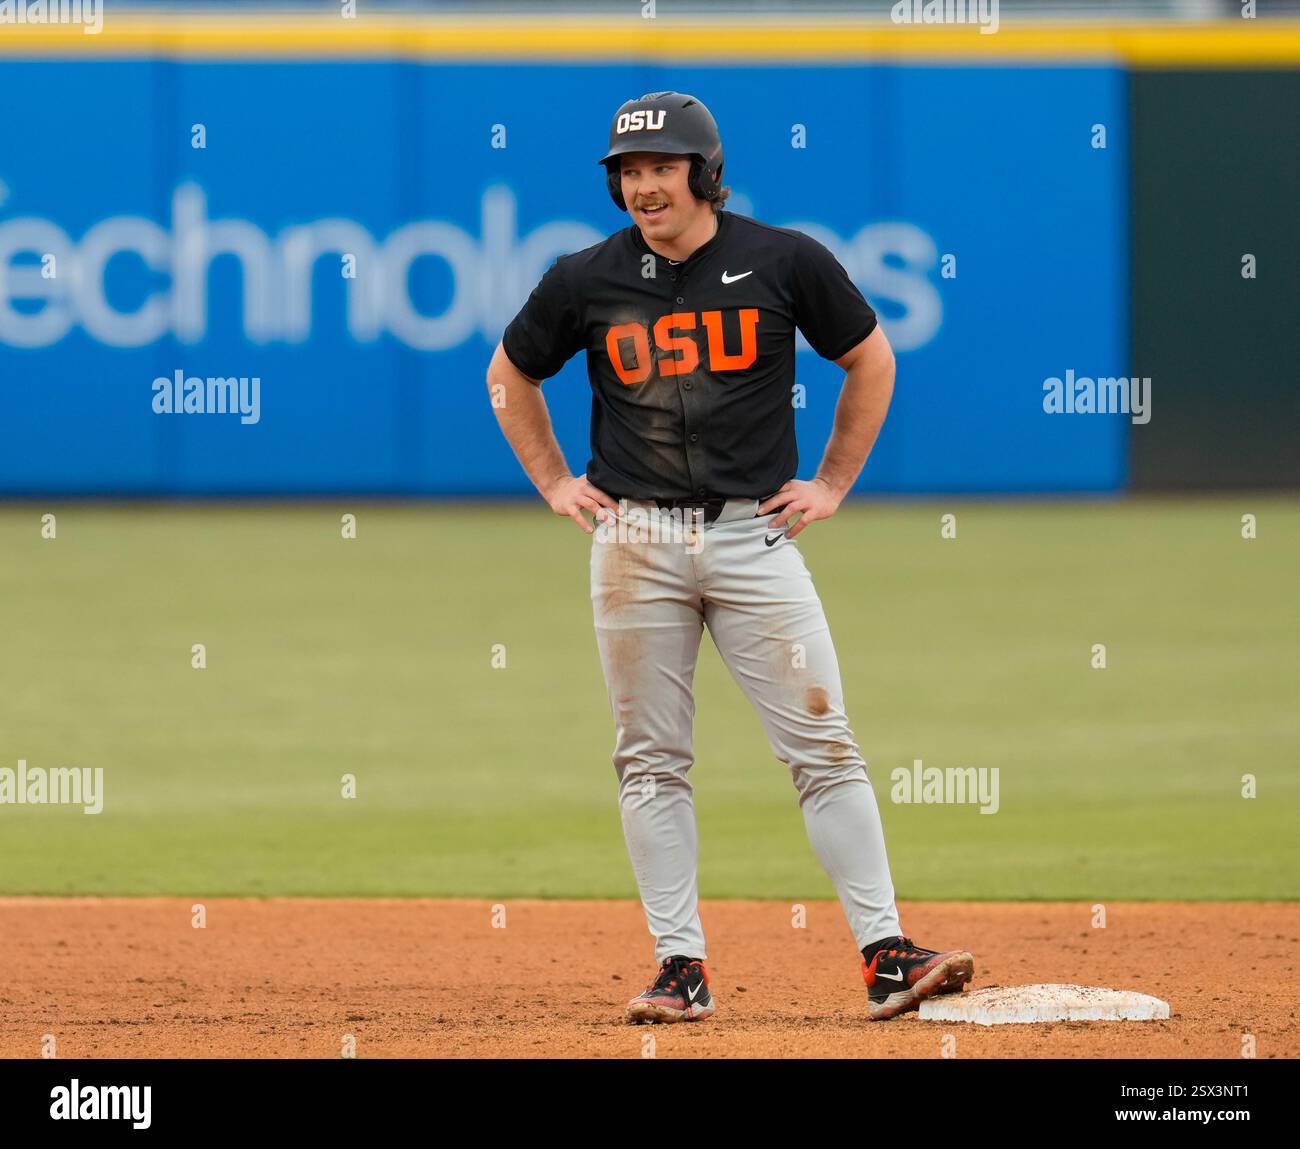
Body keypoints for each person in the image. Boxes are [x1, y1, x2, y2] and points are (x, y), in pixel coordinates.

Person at [488, 91, 974, 1023]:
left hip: (755, 538)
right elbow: (509, 374)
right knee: (651, 761)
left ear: (704, 173)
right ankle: (681, 965)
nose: (642, 186)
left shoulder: (782, 260)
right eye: (628, 172)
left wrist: (831, 482)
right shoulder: (584, 277)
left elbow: (871, 358)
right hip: (635, 542)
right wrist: (555, 482)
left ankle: (884, 954)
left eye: (660, 167)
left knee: (825, 746)